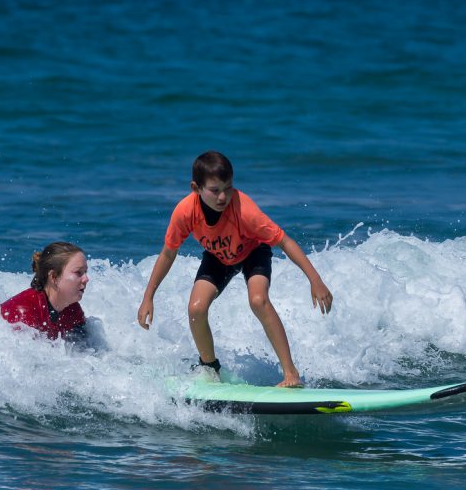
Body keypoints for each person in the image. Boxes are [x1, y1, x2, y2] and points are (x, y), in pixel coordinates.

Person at [137, 151, 333, 387]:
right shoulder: (185, 211)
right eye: (215, 190)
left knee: (258, 300)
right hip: (218, 257)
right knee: (196, 308)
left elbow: (285, 241)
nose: (223, 197)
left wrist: (315, 280)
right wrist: (148, 297)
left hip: (253, 252)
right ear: (195, 188)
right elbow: (168, 253)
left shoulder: (245, 211)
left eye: (228, 188)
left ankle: (291, 374)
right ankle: (210, 369)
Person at [1, 241, 89, 344]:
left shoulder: (73, 310)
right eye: (78, 272)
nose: (86, 279)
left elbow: (86, 351)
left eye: (85, 272)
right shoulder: (23, 312)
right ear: (54, 277)